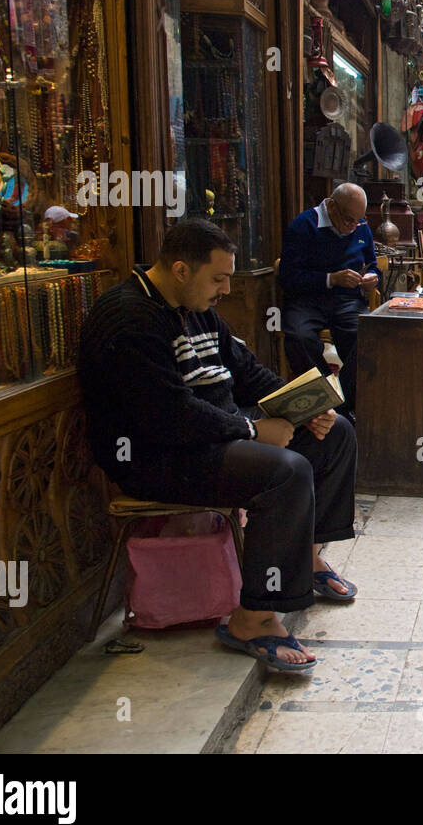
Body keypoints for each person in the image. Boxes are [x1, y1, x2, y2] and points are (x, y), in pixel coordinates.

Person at [79, 220, 358, 673]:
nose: (226, 289)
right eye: (219, 278)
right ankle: (254, 617)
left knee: (336, 430)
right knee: (285, 471)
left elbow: (246, 372)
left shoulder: (198, 308)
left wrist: (303, 407)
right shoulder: (129, 317)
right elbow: (168, 416)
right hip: (159, 456)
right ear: (181, 269)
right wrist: (250, 430)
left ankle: (306, 556)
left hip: (212, 435)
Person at [278, 183, 381, 419]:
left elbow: (372, 263)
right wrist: (330, 279)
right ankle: (325, 395)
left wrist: (373, 277)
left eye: (359, 220)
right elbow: (288, 277)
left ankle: (340, 404)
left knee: (369, 336)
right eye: (348, 220)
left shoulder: (360, 225)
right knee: (298, 337)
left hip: (347, 300)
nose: (353, 227)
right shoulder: (303, 225)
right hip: (307, 299)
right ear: (331, 207)